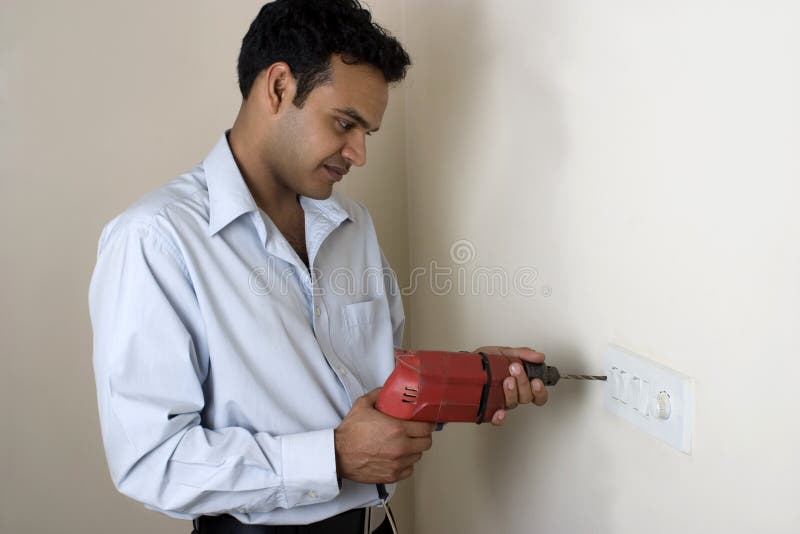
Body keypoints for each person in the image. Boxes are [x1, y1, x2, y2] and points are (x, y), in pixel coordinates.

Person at [88, 1, 548, 533]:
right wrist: (330, 456)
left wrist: (469, 379)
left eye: (367, 133)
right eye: (345, 123)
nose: (359, 153)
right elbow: (150, 462)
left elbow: (378, 386)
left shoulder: (352, 224)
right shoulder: (155, 240)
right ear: (279, 87)